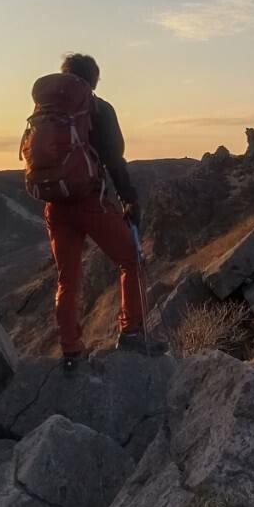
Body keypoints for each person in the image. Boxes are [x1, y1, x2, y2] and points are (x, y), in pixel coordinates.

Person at [40, 53, 162, 368]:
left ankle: (71, 350)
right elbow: (114, 159)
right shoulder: (98, 109)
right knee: (131, 261)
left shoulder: (46, 112)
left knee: (68, 279)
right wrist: (129, 199)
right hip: (89, 202)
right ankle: (132, 332)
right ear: (93, 80)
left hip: (55, 206)